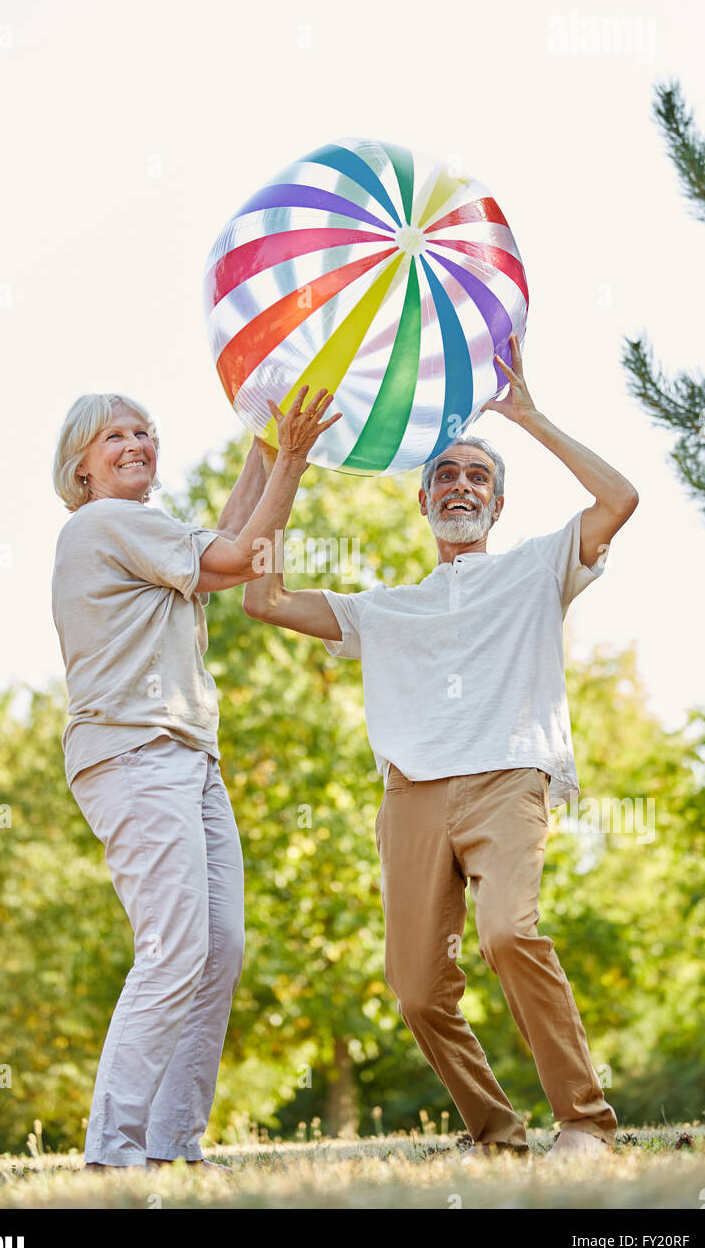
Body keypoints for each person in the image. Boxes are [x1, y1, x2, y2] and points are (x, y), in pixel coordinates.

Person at [243, 335, 639, 1164]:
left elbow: (620, 497)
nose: (462, 485)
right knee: (418, 989)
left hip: (506, 779)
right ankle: (495, 1135)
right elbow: (263, 597)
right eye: (447, 476)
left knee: (507, 933)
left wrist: (529, 416)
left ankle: (585, 1123)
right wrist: (288, 466)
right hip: (412, 795)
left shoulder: (537, 568)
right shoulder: (383, 608)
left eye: (478, 477)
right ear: (422, 502)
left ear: (497, 503)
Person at [50, 385, 340, 1171]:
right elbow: (241, 559)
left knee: (219, 948)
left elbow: (226, 541)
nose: (137, 442)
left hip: (186, 756)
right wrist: (295, 460)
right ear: (82, 468)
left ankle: (174, 1144)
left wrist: (267, 446)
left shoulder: (143, 528)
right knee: (175, 947)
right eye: (115, 436)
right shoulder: (105, 523)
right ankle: (114, 1150)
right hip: (135, 753)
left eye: (144, 430)